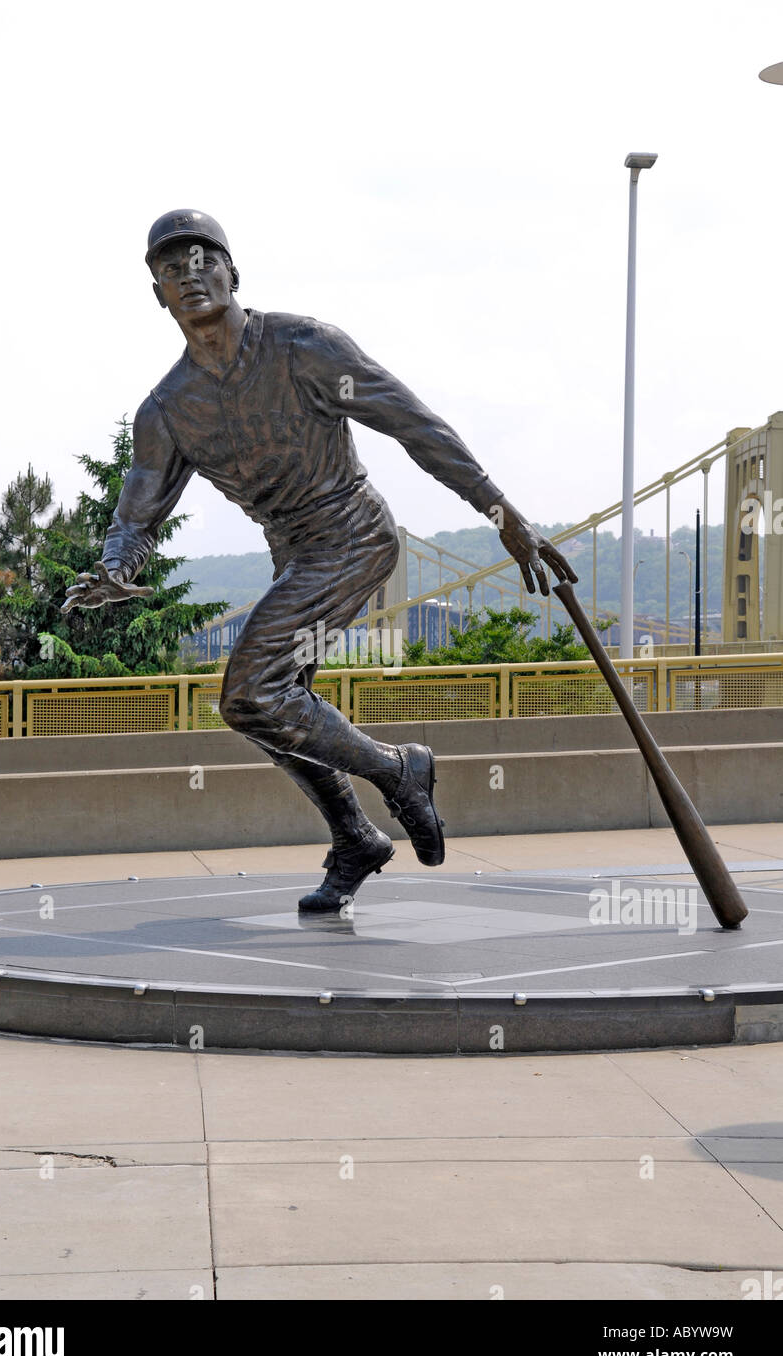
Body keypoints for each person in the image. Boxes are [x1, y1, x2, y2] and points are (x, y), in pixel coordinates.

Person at [63, 209, 578, 912]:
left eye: (203, 260)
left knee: (248, 693)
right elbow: (136, 512)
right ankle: (357, 837)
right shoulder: (168, 410)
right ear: (157, 294)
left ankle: (401, 771)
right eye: (171, 269)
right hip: (293, 559)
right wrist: (115, 567)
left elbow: (413, 424)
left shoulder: (304, 346)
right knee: (272, 708)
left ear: (233, 271)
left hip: (354, 537)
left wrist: (500, 512)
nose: (189, 276)